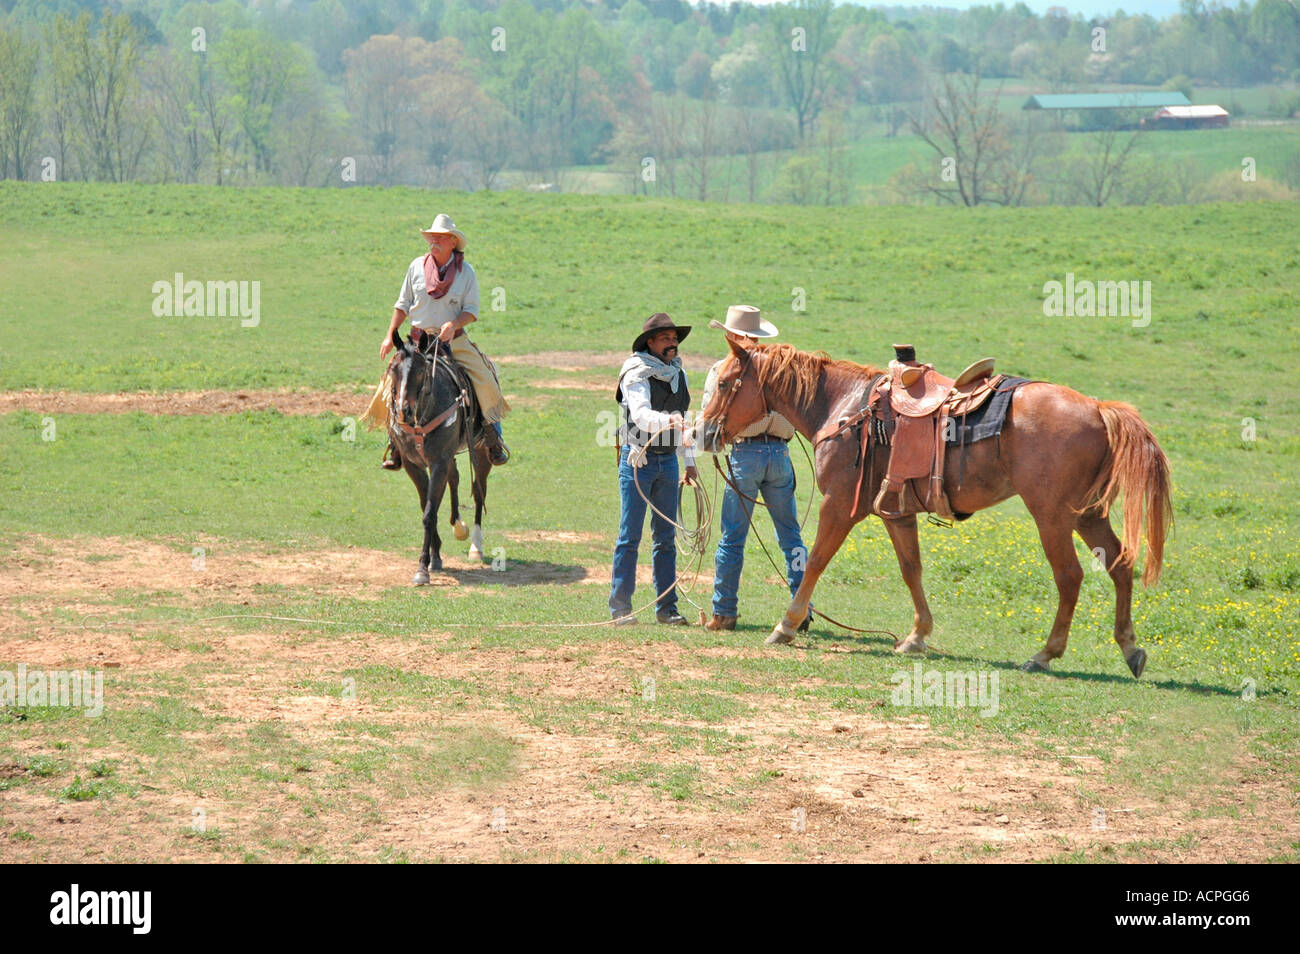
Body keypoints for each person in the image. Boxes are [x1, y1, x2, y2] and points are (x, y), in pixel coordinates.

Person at [363, 214, 509, 467]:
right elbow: (402, 305)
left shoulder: (466, 273)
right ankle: (395, 443)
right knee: (389, 386)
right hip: (417, 342)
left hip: (453, 342)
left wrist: (454, 324)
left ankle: (493, 437)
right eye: (431, 237)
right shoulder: (415, 267)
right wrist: (389, 335)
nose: (434, 241)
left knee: (486, 379)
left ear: (453, 241)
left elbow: (472, 311)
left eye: (440, 237)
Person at [699, 306, 810, 632]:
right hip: (780, 454)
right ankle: (802, 609)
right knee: (792, 537)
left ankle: (724, 612)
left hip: (745, 455)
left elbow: (709, 422)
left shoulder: (724, 369)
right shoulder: (783, 369)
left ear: (734, 337)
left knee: (732, 537)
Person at [609, 313, 700, 626]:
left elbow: (684, 421)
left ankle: (667, 608)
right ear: (650, 342)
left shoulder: (678, 374)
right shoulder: (635, 373)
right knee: (629, 536)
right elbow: (643, 416)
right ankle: (621, 609)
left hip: (668, 463)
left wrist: (689, 463)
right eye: (665, 338)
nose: (672, 343)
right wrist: (671, 421)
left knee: (666, 537)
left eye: (674, 338)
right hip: (639, 463)